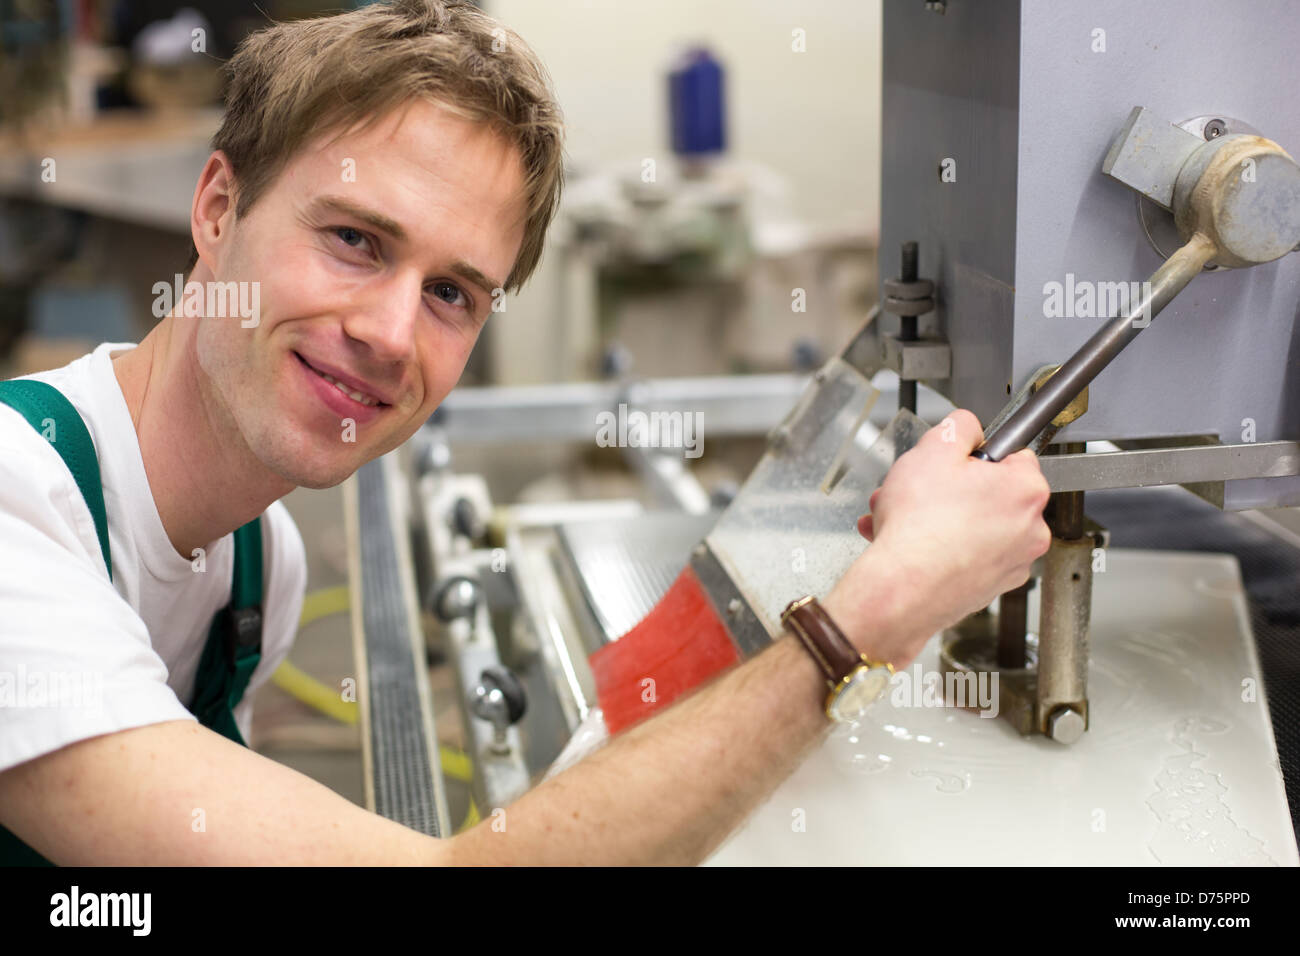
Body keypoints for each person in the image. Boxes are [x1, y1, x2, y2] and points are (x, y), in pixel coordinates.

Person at [0, 0, 1050, 865]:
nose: (388, 332)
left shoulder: (255, 564)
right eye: (355, 239)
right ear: (220, 208)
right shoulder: (17, 502)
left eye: (453, 291)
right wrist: (875, 611)